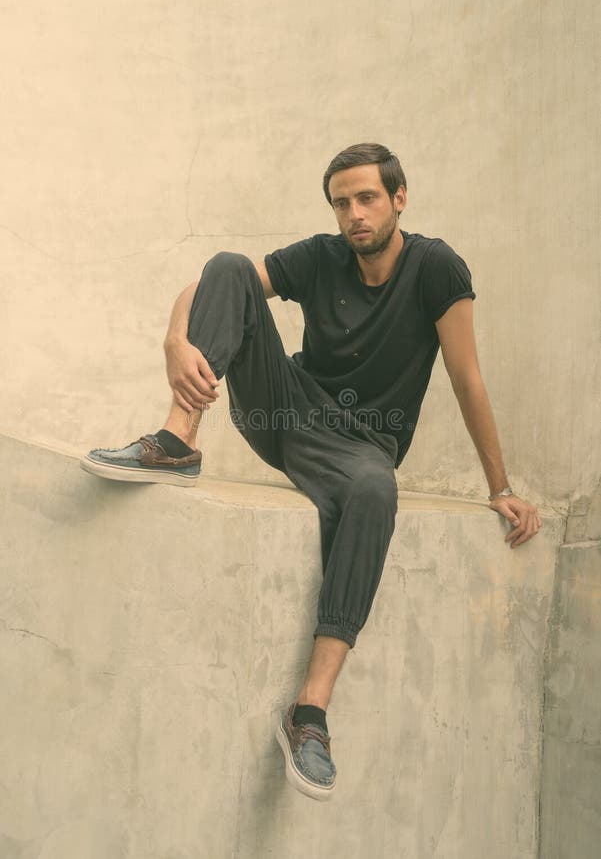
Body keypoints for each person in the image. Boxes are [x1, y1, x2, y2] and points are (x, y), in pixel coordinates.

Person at [81, 142, 542, 801]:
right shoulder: (323, 257)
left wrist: (498, 487)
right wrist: (173, 341)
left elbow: (467, 380)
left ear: (398, 198)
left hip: (359, 448)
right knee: (229, 264)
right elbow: (209, 285)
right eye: (341, 203)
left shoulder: (436, 268)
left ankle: (310, 714)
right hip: (285, 411)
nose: (353, 214)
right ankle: (177, 441)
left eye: (366, 199)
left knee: (374, 489)